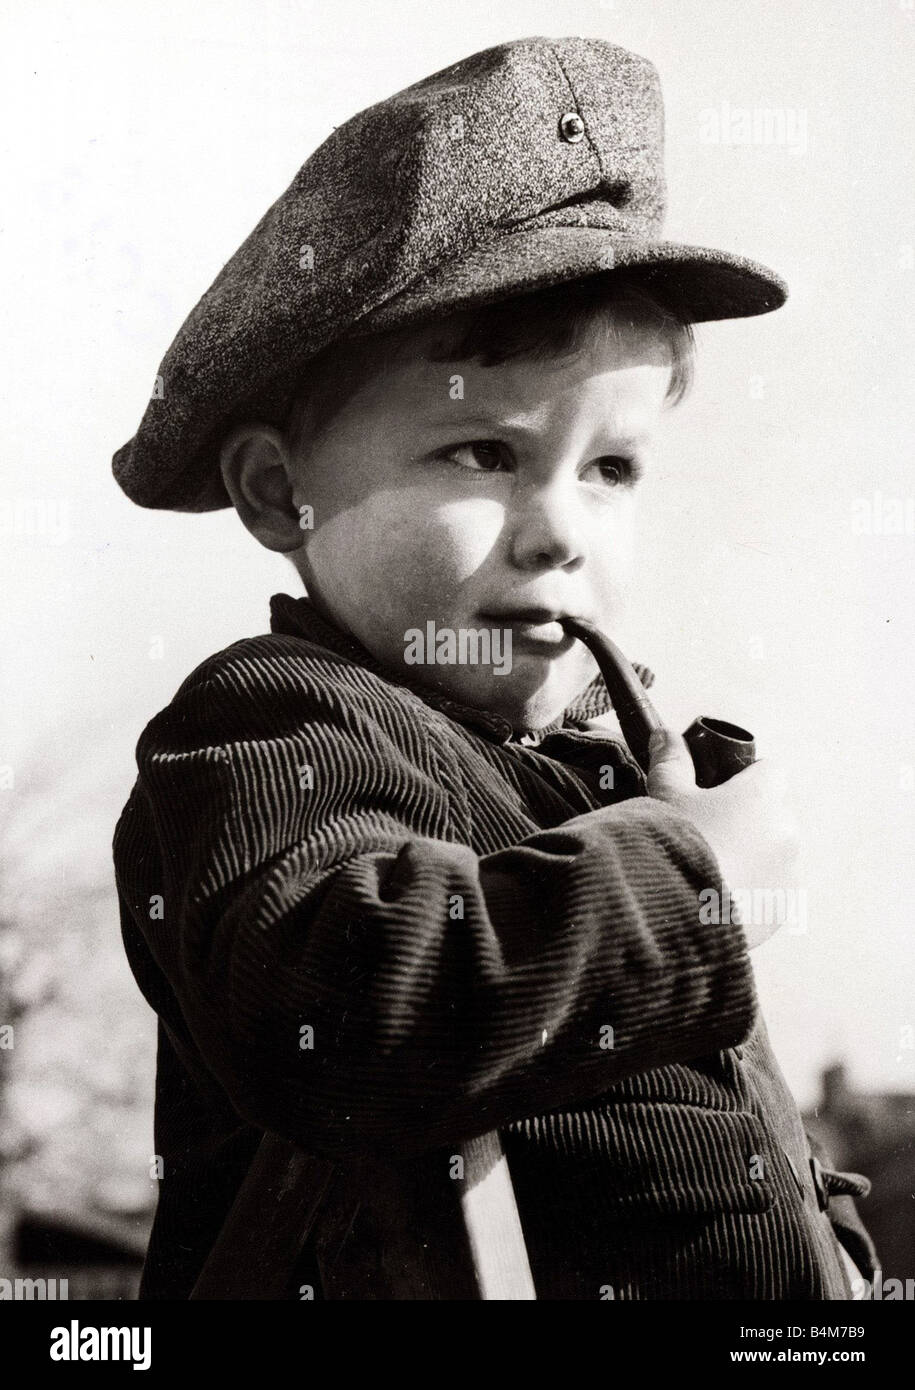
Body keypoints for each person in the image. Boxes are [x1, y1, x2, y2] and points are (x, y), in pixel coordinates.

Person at [112, 35, 877, 1299]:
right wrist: (689, 883)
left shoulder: (590, 794)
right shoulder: (273, 727)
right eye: (481, 451)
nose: (561, 527)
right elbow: (343, 1010)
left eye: (611, 467)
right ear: (274, 489)